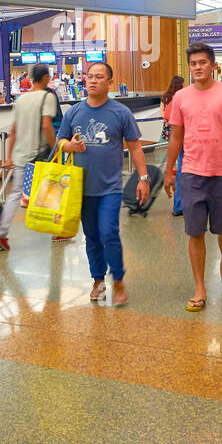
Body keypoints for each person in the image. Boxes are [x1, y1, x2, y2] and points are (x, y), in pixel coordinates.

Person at [163, 43, 222, 312]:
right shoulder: (181, 97)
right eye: (193, 64)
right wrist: (169, 171)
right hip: (191, 173)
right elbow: (176, 136)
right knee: (194, 231)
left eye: (202, 62)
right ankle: (200, 287)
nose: (197, 67)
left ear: (213, 65)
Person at [58, 62, 149, 307]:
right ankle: (98, 280)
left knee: (109, 232)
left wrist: (143, 178)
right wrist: (69, 146)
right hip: (82, 188)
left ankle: (118, 279)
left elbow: (135, 146)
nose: (92, 80)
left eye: (99, 77)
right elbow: (60, 141)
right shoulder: (74, 112)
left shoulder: (120, 112)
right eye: (89, 76)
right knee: (92, 236)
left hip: (110, 187)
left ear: (110, 83)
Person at [0, 64, 59, 251]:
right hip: (39, 155)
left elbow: (13, 131)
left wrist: (9, 157)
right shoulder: (47, 96)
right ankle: (57, 229)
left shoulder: (20, 99)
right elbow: (47, 125)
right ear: (45, 77)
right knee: (53, 189)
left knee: (15, 193)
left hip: (21, 155)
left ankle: (1, 232)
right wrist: (55, 148)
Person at [161, 75, 186, 217]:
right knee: (184, 170)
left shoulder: (168, 96)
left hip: (174, 133)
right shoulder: (182, 96)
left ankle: (178, 206)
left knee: (182, 169)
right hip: (185, 137)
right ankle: (180, 205)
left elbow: (165, 114)